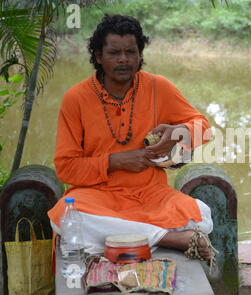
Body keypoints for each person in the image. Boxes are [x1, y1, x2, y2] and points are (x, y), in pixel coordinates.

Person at [47, 14, 213, 262]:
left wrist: (179, 133)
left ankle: (135, 234)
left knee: (201, 213)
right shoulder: (76, 99)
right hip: (97, 197)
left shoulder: (159, 88)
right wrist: (116, 161)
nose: (123, 59)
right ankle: (168, 238)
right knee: (68, 215)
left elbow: (205, 128)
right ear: (99, 56)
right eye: (114, 53)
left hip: (151, 194)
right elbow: (66, 167)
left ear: (139, 55)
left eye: (131, 52)